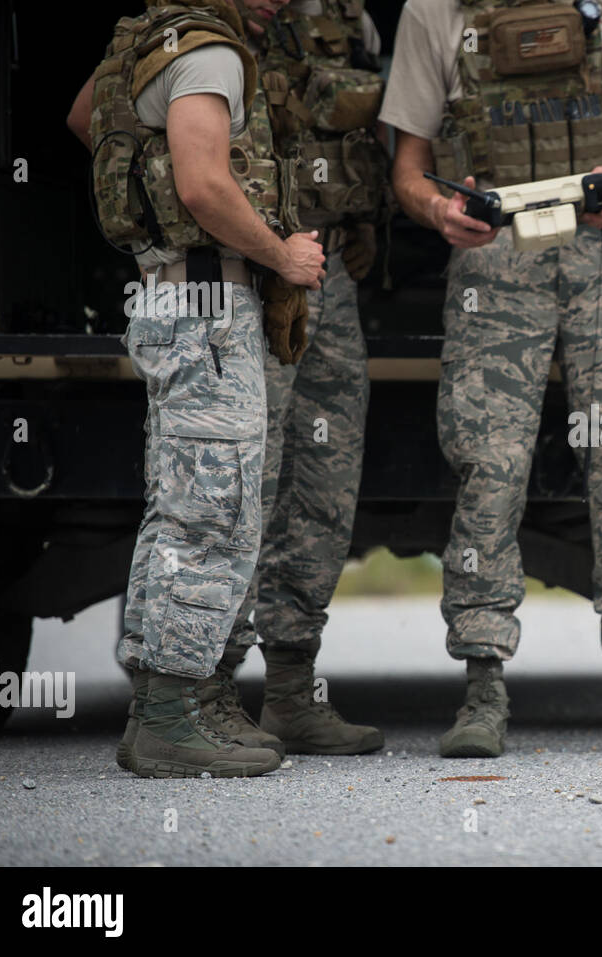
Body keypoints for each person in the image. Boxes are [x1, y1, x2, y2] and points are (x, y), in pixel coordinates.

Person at [381, 0, 602, 757]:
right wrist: (440, 208)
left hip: (601, 256)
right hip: (494, 263)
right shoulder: (435, 11)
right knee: (490, 466)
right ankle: (482, 688)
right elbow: (407, 169)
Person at [67, 0, 325, 777]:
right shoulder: (208, 53)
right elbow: (205, 185)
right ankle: (171, 720)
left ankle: (158, 707)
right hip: (209, 303)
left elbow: (85, 117)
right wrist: (280, 254)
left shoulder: (143, 42)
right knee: (213, 513)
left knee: (177, 506)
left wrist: (144, 203)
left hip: (166, 297)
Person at [210, 0, 388, 757]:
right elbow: (99, 116)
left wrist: (368, 216)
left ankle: (289, 692)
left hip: (326, 274)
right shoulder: (199, 25)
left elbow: (365, 127)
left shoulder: (347, 17)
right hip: (245, 271)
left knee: (324, 476)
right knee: (242, 476)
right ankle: (209, 692)